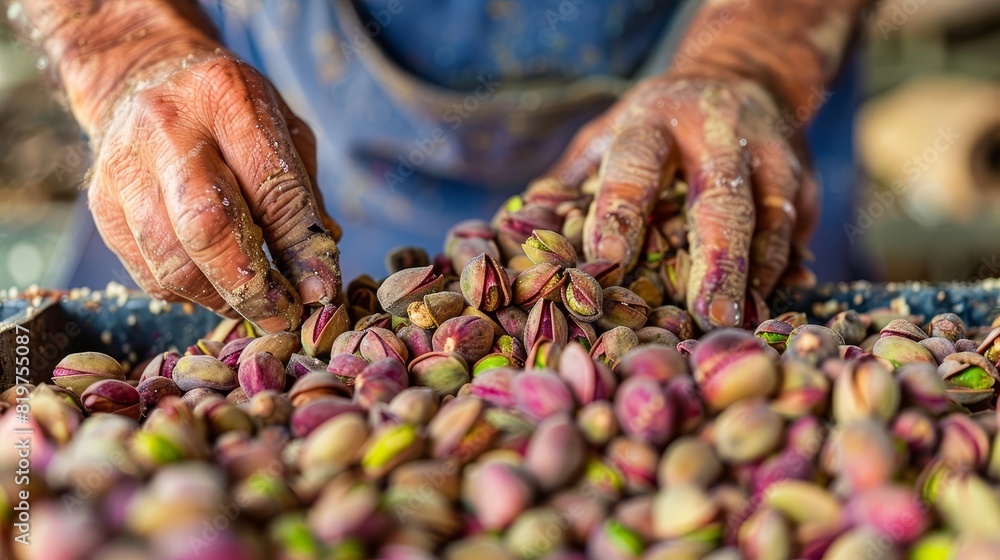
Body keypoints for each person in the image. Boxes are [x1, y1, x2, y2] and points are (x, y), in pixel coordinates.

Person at [12, 0, 869, 333]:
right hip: (285, 126)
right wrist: (126, 47)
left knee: (742, 329)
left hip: (703, 139)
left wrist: (754, 56)